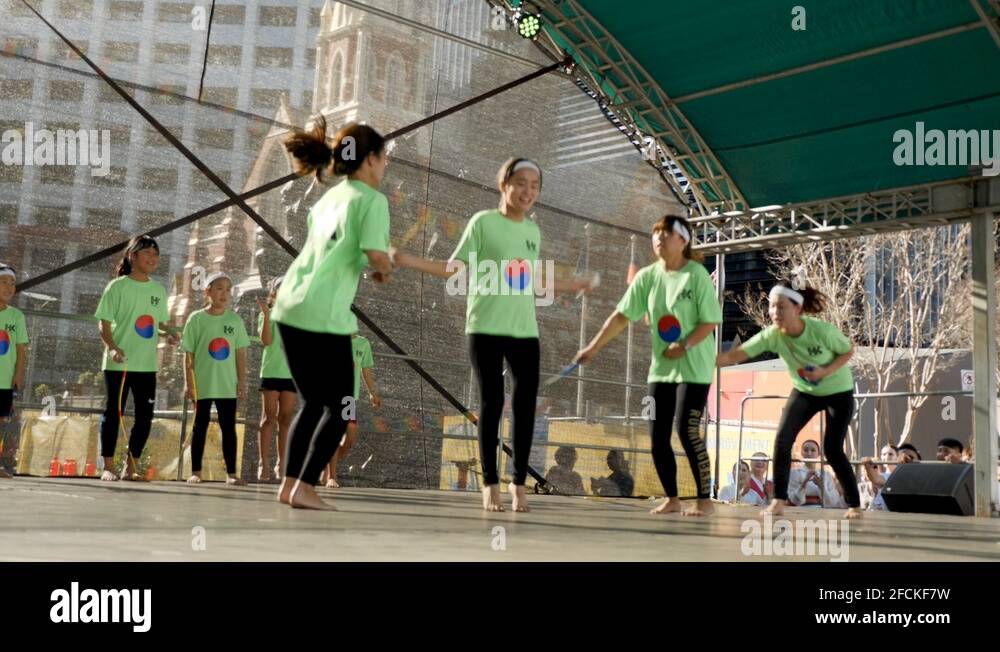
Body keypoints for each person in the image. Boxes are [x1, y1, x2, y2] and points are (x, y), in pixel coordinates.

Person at [391, 157, 593, 512]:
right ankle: (489, 484)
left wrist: (568, 284)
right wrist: (409, 261)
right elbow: (455, 269)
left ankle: (519, 485)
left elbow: (527, 281)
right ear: (504, 184)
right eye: (521, 182)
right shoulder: (482, 223)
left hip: (524, 331)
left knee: (527, 407)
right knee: (492, 404)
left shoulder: (532, 231)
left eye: (535, 185)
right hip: (485, 326)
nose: (528, 191)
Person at [272, 118, 393, 510]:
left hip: (290, 306)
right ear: (371, 159)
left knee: (314, 403)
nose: (385, 167)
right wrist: (385, 266)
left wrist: (369, 264)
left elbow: (339, 251)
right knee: (342, 406)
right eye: (384, 159)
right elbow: (377, 254)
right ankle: (306, 486)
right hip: (323, 314)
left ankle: (290, 484)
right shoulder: (373, 200)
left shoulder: (329, 198)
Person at [576, 214, 721, 516]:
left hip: (695, 368)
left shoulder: (696, 275)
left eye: (666, 233)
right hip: (662, 369)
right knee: (656, 436)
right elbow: (621, 316)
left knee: (687, 430)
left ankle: (704, 499)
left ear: (683, 240)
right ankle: (672, 498)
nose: (659, 238)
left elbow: (710, 322)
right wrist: (593, 346)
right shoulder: (646, 277)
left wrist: (685, 344)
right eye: (656, 233)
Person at [716, 270, 862, 520]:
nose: (774, 312)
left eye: (781, 307)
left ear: (797, 308)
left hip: (838, 391)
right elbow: (734, 356)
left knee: (833, 449)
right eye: (772, 306)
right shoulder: (772, 335)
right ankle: (779, 501)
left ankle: (855, 505)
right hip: (805, 392)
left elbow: (848, 351)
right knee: (782, 440)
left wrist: (824, 370)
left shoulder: (820, 331)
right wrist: (698, 359)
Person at [94, 235, 178, 481]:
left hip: (146, 365)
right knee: (113, 412)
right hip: (118, 362)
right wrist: (112, 347)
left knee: (144, 416)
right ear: (132, 256)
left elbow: (156, 323)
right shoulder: (117, 286)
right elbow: (104, 322)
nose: (152, 258)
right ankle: (108, 466)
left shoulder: (158, 290)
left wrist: (168, 333)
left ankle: (130, 468)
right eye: (147, 253)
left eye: (156, 254)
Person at [181, 272, 250, 485]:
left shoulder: (235, 320)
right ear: (208, 291)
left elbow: (240, 354)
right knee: (199, 427)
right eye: (219, 288)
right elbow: (188, 354)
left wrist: (241, 381)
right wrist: (189, 383)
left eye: (228, 289)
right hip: (202, 384)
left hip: (227, 385)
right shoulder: (196, 319)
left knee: (228, 428)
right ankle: (196, 472)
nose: (224, 293)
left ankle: (231, 474)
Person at [322, 333, 382, 488]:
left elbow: (365, 369)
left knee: (350, 439)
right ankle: (331, 476)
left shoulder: (363, 343)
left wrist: (372, 392)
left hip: (349, 399)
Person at [255, 277, 297, 482]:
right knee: (268, 418)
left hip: (292, 376)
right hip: (271, 373)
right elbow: (266, 341)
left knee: (286, 419)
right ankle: (263, 463)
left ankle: (282, 464)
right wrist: (265, 314)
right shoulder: (268, 315)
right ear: (274, 293)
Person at [0, 263, 27, 479]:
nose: (9, 287)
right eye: (3, 282)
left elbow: (20, 349)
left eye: (12, 283)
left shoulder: (17, 316)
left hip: (5, 381)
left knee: (2, 422)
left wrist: (18, 374)